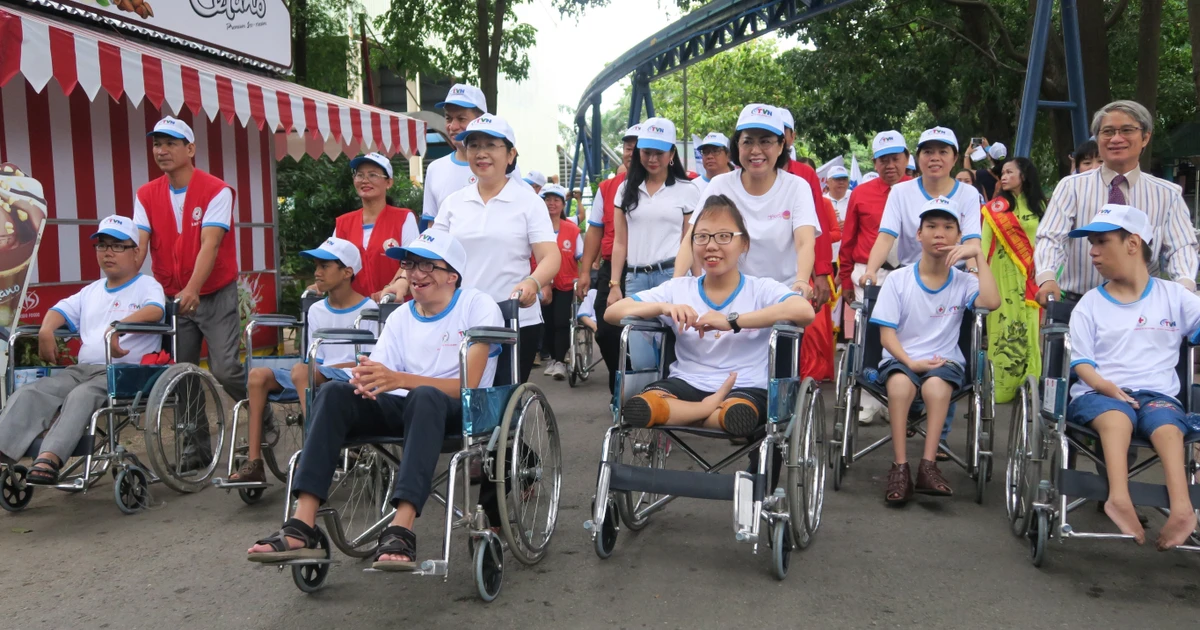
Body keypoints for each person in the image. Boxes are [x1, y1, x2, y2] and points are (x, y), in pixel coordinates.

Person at [246, 231, 504, 568]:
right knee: (335, 393)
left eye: (427, 265)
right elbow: (378, 376)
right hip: (406, 407)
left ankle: (402, 527)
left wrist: (399, 379)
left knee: (424, 396)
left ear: (452, 274)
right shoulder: (399, 317)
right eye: (410, 264)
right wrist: (364, 381)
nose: (415, 273)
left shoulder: (476, 304)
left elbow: (466, 384)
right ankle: (302, 525)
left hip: (461, 409)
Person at [606, 195, 815, 435]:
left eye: (724, 236)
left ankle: (696, 413)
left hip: (745, 386)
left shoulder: (761, 288)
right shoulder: (678, 289)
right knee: (642, 406)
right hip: (686, 382)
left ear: (744, 243)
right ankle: (708, 411)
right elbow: (613, 313)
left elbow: (803, 311)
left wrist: (731, 321)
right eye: (702, 237)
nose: (711, 246)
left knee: (738, 413)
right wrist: (662, 307)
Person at [1064, 204, 1199, 549]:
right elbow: (1081, 363)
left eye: (1102, 242)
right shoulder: (1091, 304)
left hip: (1158, 395)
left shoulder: (1175, 297)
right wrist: (1104, 386)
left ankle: (1182, 507)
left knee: (1168, 423)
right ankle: (1119, 497)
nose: (1092, 251)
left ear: (1133, 243)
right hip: (1099, 393)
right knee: (1117, 417)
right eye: (1091, 243)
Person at [0, 216, 164, 484]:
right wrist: (45, 330)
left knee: (82, 395)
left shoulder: (147, 286)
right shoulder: (91, 291)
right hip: (82, 370)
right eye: (102, 245)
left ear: (136, 252)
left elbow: (156, 310)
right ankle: (3, 451)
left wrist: (118, 326)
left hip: (124, 372)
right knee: (33, 391)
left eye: (118, 246)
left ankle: (49, 457)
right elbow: (59, 310)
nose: (108, 252)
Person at [869, 197, 1000, 504]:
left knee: (937, 386)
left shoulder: (965, 281)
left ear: (958, 236)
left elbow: (992, 302)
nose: (939, 233)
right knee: (900, 385)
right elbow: (886, 336)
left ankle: (928, 466)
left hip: (945, 360)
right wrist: (911, 362)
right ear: (918, 234)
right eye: (931, 226)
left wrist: (979, 255)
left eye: (948, 227)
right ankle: (900, 467)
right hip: (902, 357)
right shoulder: (898, 280)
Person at [133, 116, 242, 467]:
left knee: (225, 370)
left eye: (170, 143)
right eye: (156, 144)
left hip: (214, 291)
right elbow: (138, 247)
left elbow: (210, 245)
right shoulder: (146, 194)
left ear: (190, 149)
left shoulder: (216, 190)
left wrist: (193, 289)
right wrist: (124, 281)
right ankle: (196, 448)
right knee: (181, 374)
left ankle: (262, 415)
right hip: (172, 295)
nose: (161, 151)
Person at [228, 237, 377, 483]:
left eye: (324, 266)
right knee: (258, 376)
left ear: (347, 272)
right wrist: (315, 369)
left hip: (353, 373)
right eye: (316, 266)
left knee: (301, 371)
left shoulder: (368, 309)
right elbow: (314, 357)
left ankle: (314, 454)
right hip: (317, 371)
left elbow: (372, 361)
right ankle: (254, 462)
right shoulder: (317, 310)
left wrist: (321, 369)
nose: (316, 273)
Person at [431, 114, 560, 384]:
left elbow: (550, 256)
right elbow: (431, 252)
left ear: (511, 154)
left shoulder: (528, 201)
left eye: (491, 145)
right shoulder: (453, 203)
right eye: (474, 145)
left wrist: (533, 282)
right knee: (461, 400)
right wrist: (400, 280)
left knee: (501, 404)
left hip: (514, 319)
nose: (481, 153)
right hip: (461, 318)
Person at [1035, 100, 1199, 307]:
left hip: (1144, 309)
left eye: (1127, 130)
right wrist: (1047, 277)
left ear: (1145, 137)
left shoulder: (1168, 194)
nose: (1116, 139)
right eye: (1108, 132)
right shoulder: (1071, 187)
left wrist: (1184, 287)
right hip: (1079, 304)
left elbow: (1181, 247)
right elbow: (1051, 237)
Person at [674, 104, 820, 310]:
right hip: (726, 299)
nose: (756, 151)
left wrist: (802, 281)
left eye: (765, 142)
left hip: (778, 299)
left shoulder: (797, 187)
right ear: (737, 146)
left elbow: (805, 242)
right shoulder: (720, 185)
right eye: (747, 142)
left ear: (781, 146)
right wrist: (676, 284)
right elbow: (693, 236)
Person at [609, 117, 700, 368]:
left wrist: (695, 282)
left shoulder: (687, 190)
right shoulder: (626, 189)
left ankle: (673, 401)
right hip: (636, 279)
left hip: (672, 275)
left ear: (672, 153)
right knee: (640, 355)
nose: (652, 159)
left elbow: (690, 242)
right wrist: (615, 284)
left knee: (679, 348)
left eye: (659, 153)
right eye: (647, 152)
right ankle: (647, 403)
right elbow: (620, 242)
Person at [839, 131, 911, 424]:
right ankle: (868, 402)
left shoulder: (917, 190)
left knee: (905, 337)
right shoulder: (861, 193)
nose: (889, 165)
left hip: (908, 275)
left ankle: (903, 400)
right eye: (883, 160)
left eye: (895, 158)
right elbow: (848, 238)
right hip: (867, 275)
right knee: (868, 338)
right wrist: (845, 279)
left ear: (907, 159)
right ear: (874, 162)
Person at [860, 126, 983, 286]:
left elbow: (971, 242)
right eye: (928, 152)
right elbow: (885, 237)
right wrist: (871, 271)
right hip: (911, 276)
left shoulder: (969, 193)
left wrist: (973, 273)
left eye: (943, 152)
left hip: (955, 277)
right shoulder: (900, 191)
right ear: (918, 158)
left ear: (954, 159)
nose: (935, 158)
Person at [578, 125, 638, 394]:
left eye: (638, 147)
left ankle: (645, 388)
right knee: (605, 330)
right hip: (611, 268)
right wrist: (583, 272)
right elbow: (594, 229)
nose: (632, 153)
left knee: (646, 331)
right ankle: (621, 384)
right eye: (628, 147)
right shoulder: (607, 188)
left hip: (643, 265)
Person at [981, 157, 1045, 403]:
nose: (1003, 177)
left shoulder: (1041, 205)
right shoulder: (995, 208)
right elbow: (985, 242)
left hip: (1031, 275)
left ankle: (1030, 385)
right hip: (1001, 275)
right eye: (1002, 173)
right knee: (1004, 327)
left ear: (1024, 175)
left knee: (1030, 328)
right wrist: (981, 276)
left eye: (1009, 172)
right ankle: (1002, 388)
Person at [329, 153, 419, 301]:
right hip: (355, 307)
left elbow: (412, 258)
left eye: (373, 175)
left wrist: (392, 287)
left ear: (389, 182)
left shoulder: (404, 218)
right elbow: (333, 262)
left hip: (395, 304)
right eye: (359, 175)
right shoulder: (343, 223)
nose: (365, 180)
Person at [536, 184, 582, 381]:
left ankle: (560, 361)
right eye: (547, 200)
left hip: (565, 282)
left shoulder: (571, 229)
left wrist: (583, 278)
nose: (551, 204)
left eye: (556, 200)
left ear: (563, 204)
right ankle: (552, 358)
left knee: (562, 322)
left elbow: (580, 256)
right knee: (546, 323)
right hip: (542, 282)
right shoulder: (537, 229)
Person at [826, 165, 851, 263]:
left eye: (844, 179)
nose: (841, 182)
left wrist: (849, 225)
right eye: (837, 179)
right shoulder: (821, 201)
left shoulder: (854, 197)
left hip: (849, 257)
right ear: (828, 182)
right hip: (830, 257)